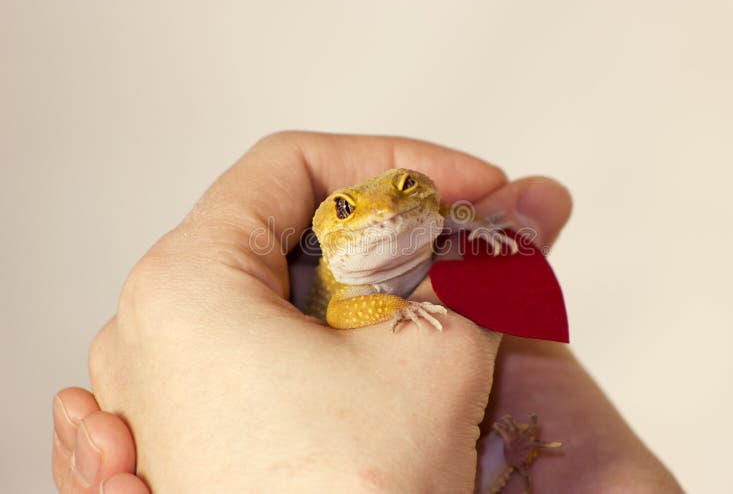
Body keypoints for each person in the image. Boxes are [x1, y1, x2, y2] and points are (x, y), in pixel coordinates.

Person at [51, 132, 682, 493]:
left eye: (405, 188)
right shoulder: (343, 292)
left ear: (430, 199)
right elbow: (352, 313)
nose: (385, 208)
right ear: (325, 231)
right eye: (351, 209)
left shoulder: (448, 235)